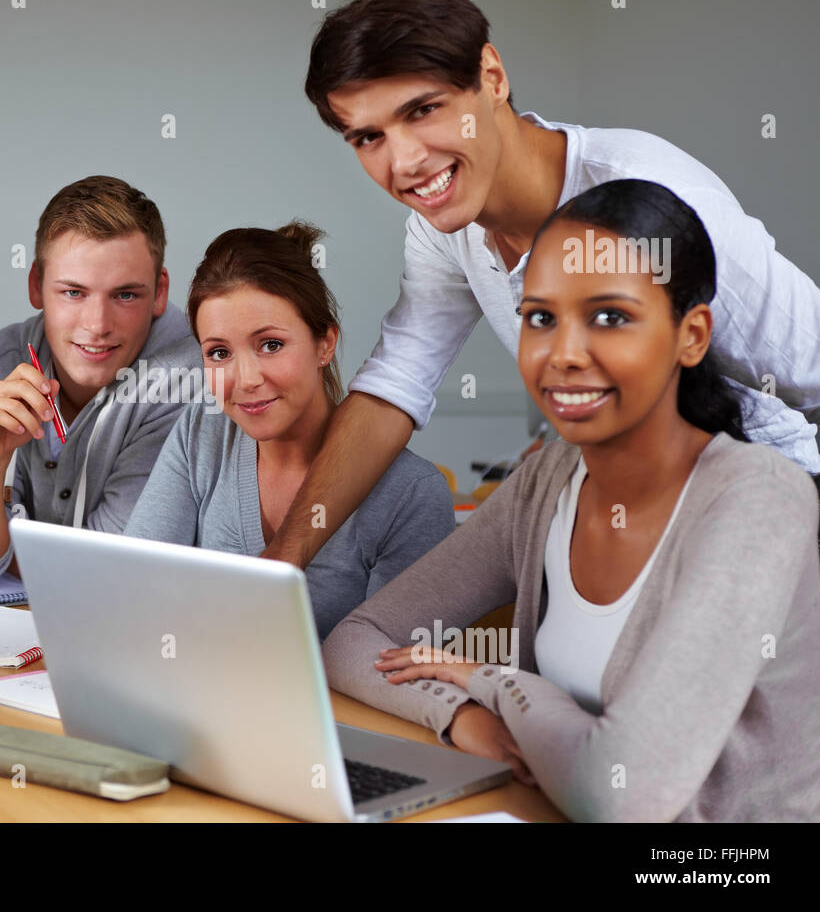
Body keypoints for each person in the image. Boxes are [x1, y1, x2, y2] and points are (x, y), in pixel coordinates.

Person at [265, 0, 820, 570]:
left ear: (492, 78)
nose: (404, 162)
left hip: (774, 517)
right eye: (369, 137)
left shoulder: (656, 197)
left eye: (424, 110)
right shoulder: (443, 228)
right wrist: (280, 565)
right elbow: (392, 389)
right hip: (648, 522)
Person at [323, 180, 820, 822]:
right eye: (540, 318)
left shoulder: (759, 500)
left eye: (610, 317)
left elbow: (624, 797)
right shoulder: (549, 480)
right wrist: (462, 716)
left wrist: (494, 683)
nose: (563, 354)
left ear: (691, 336)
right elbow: (358, 639)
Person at [124, 223, 454, 640]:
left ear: (324, 344)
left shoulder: (411, 493)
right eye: (219, 353)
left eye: (271, 345)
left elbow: (391, 666)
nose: (245, 380)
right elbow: (136, 591)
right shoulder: (201, 434)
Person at [0, 176, 199, 583]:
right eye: (73, 292)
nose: (97, 325)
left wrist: (10, 531)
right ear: (36, 285)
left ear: (159, 292)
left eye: (125, 295)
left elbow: (111, 571)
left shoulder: (190, 376)